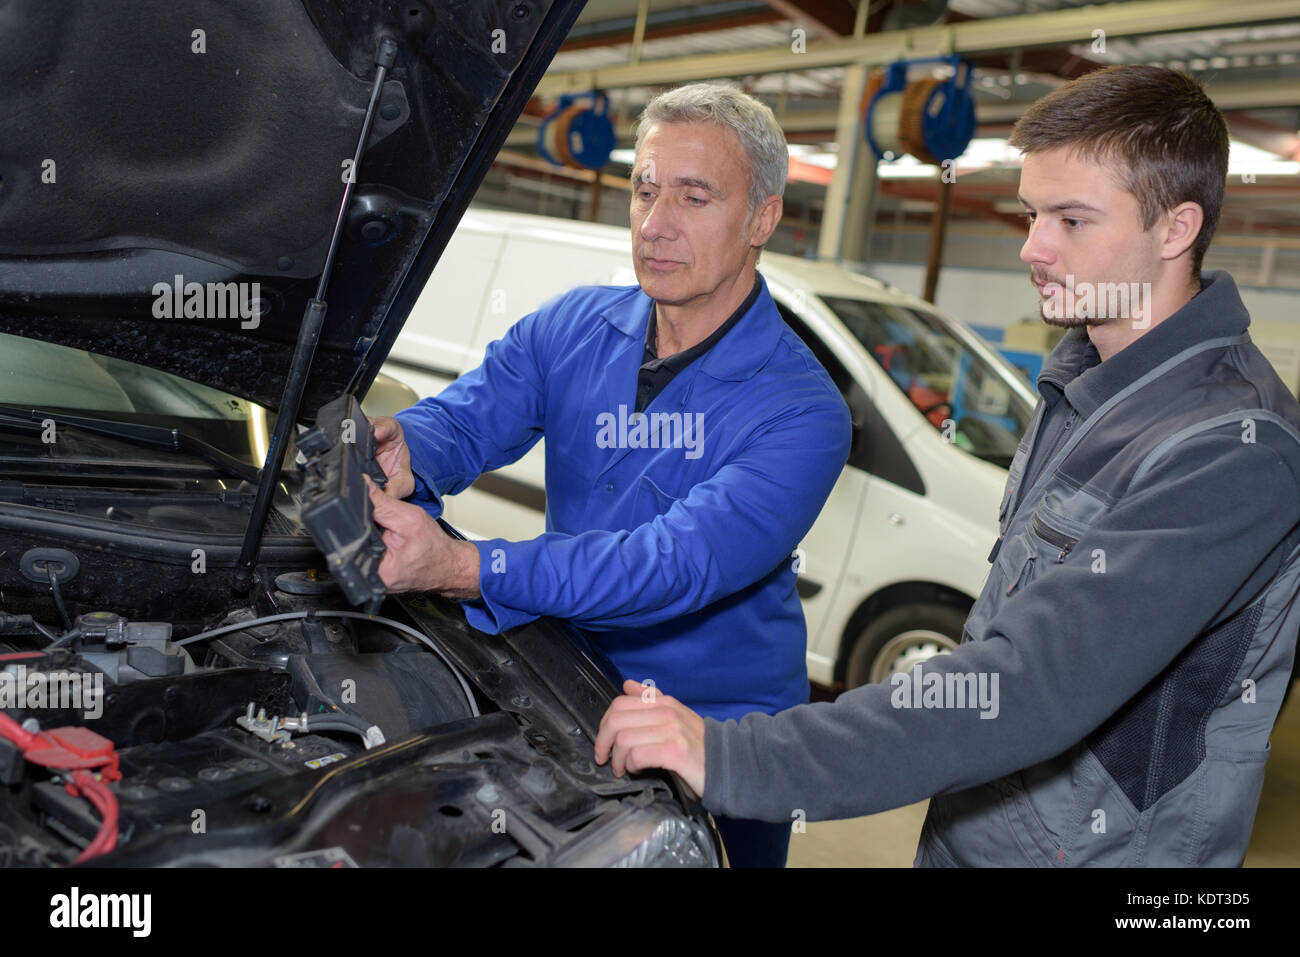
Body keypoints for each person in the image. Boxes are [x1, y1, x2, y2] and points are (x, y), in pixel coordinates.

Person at [593, 64, 1300, 866]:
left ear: (1175, 230)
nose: (1033, 247)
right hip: (980, 829)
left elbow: (1027, 681)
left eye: (1071, 220)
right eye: (1034, 213)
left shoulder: (1232, 449)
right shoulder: (1083, 383)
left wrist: (735, 758)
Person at [365, 83, 852, 867]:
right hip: (566, 687)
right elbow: (465, 420)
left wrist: (466, 566)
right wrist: (407, 447)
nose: (656, 226)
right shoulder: (573, 326)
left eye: (694, 198)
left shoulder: (802, 413)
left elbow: (671, 562)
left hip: (719, 743)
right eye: (645, 191)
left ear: (762, 218)